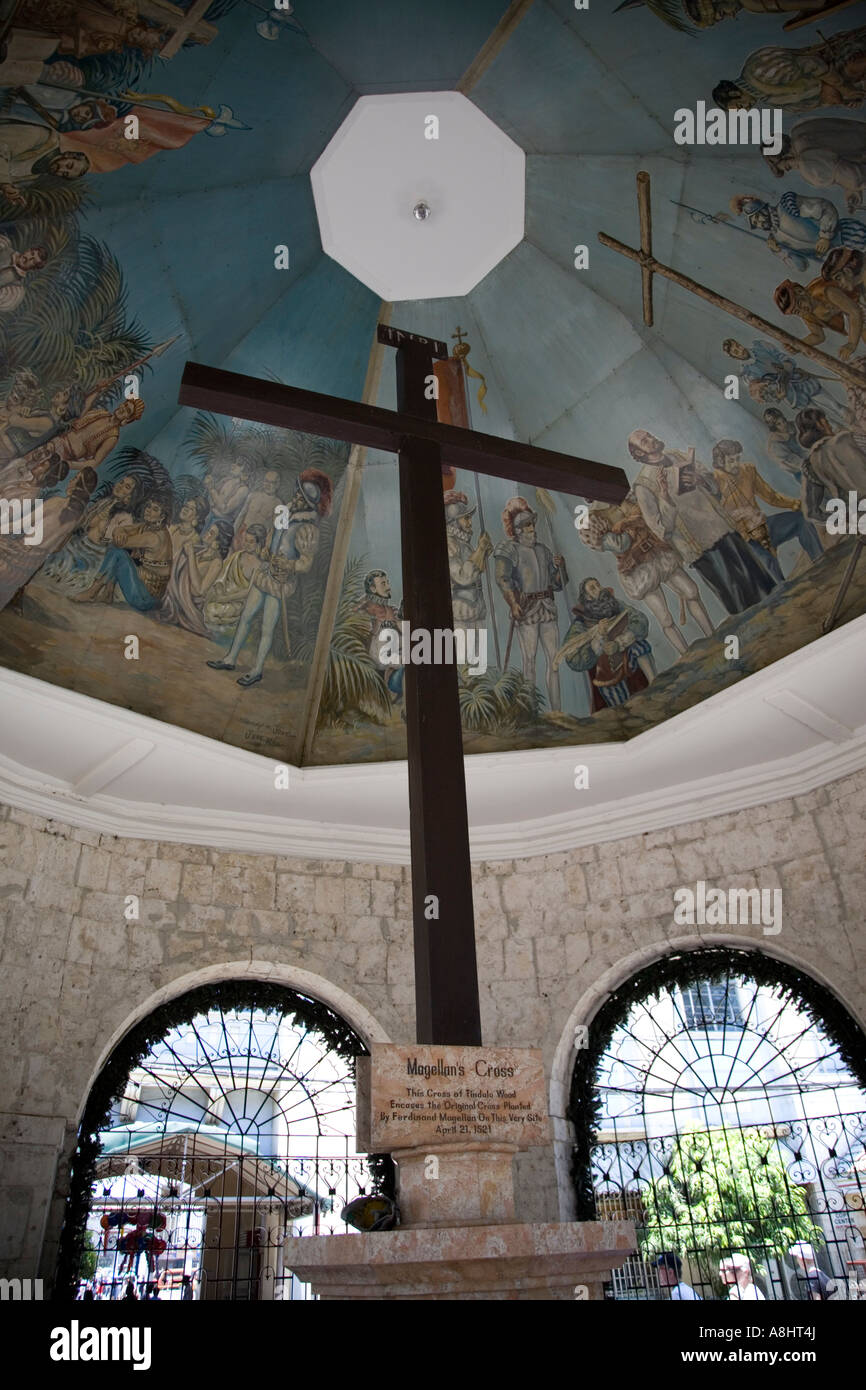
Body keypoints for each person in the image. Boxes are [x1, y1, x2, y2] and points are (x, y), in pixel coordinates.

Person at [628, 429, 775, 614]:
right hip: (699, 545)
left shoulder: (678, 455)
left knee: (758, 580)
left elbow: (714, 486)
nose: (651, 439)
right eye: (644, 441)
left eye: (649, 435)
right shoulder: (643, 485)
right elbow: (661, 530)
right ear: (639, 452)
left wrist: (700, 480)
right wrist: (665, 498)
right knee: (737, 595)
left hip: (721, 527)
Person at [207, 468, 332, 687]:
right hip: (266, 572)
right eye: (297, 492)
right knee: (246, 616)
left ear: (307, 502)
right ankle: (230, 659)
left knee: (267, 627)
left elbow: (305, 564)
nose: (296, 497)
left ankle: (256, 670)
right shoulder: (285, 513)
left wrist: (287, 565)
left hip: (280, 581)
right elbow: (273, 538)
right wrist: (265, 551)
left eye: (301, 495)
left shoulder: (308, 529)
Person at [581, 493, 714, 655]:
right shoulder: (593, 520)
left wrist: (625, 523)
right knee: (665, 619)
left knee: (691, 591)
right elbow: (621, 545)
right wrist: (634, 523)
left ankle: (714, 636)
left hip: (657, 552)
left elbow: (645, 515)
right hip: (636, 568)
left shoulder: (623, 497)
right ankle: (687, 656)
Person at [711, 438, 822, 581]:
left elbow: (770, 497)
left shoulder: (748, 470)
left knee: (801, 520)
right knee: (771, 574)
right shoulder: (713, 483)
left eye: (738, 458)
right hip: (745, 540)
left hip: (764, 526)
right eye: (731, 461)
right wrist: (740, 515)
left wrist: (797, 504)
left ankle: (822, 562)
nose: (736, 464)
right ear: (720, 461)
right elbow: (718, 520)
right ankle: (783, 588)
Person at [494, 497, 567, 711]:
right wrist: (513, 603)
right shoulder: (509, 549)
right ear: (517, 530)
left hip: (547, 607)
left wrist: (561, 568)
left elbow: (557, 584)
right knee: (530, 661)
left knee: (554, 661)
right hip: (527, 609)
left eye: (532, 523)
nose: (532, 528)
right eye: (527, 525)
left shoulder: (544, 550)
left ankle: (557, 712)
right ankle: (531, 711)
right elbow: (502, 578)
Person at [554, 577, 654, 711]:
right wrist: (598, 639)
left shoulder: (615, 605)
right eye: (593, 588)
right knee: (623, 709)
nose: (599, 589)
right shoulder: (581, 623)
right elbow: (573, 658)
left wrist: (619, 642)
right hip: (606, 671)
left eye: (598, 585)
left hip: (626, 658)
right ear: (587, 597)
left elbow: (640, 620)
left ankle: (655, 685)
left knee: (640, 646)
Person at [73, 495, 172, 610]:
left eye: (155, 509)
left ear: (162, 516)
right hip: (142, 587)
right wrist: (120, 531)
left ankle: (93, 590)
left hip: (146, 599)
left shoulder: (153, 536)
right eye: (148, 506)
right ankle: (107, 593)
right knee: (117, 550)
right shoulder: (148, 527)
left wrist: (120, 535)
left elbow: (119, 543)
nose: (148, 510)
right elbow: (122, 529)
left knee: (118, 552)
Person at [730, 191, 866, 272]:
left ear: (763, 209)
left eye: (757, 218)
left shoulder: (787, 206)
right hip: (838, 262)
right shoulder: (775, 241)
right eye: (755, 224)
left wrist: (825, 237)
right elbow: (801, 266)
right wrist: (780, 251)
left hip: (848, 236)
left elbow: (824, 207)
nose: (759, 224)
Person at [764, 117, 866, 213]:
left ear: (785, 156)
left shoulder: (808, 162)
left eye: (787, 167)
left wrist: (853, 189)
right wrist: (852, 194)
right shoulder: (801, 131)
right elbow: (844, 165)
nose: (788, 170)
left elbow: (853, 177)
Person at [444, 489, 492, 632]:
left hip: (476, 611)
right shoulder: (449, 543)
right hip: (460, 613)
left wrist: (484, 553)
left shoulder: (464, 543)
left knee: (480, 648)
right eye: (466, 518)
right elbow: (463, 577)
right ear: (454, 522)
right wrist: (480, 550)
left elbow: (477, 571)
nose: (470, 522)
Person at [356, 568, 404, 704]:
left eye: (387, 582)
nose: (388, 587)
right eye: (383, 584)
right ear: (372, 588)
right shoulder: (365, 612)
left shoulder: (390, 611)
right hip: (379, 667)